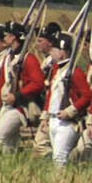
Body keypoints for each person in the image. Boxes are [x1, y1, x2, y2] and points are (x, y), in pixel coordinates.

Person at [0, 21, 45, 152]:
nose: (4, 38)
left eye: (6, 35)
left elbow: (38, 83)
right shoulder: (7, 58)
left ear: (13, 37)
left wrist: (17, 95)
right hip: (6, 105)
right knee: (9, 143)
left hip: (21, 106)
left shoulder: (28, 59)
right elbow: (1, 84)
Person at [43, 32, 92, 167]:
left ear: (62, 52)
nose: (51, 52)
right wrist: (45, 117)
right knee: (57, 157)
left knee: (60, 158)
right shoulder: (56, 70)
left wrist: (70, 111)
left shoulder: (74, 72)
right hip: (53, 120)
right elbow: (51, 96)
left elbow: (87, 96)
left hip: (67, 122)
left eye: (54, 49)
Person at [32, 22, 63, 157]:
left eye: (40, 40)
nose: (37, 44)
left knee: (42, 143)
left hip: (55, 107)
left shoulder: (55, 62)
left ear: (50, 42)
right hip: (48, 106)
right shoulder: (47, 60)